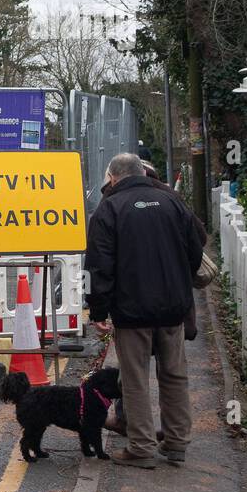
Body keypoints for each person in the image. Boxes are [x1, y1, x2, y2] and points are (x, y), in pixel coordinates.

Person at [85, 153, 204, 468]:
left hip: (132, 309)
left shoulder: (108, 209)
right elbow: (196, 250)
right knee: (175, 374)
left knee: (135, 378)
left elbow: (99, 266)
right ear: (143, 173)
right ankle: (177, 442)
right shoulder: (172, 201)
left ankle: (141, 446)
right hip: (173, 308)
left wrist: (97, 310)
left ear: (113, 177)